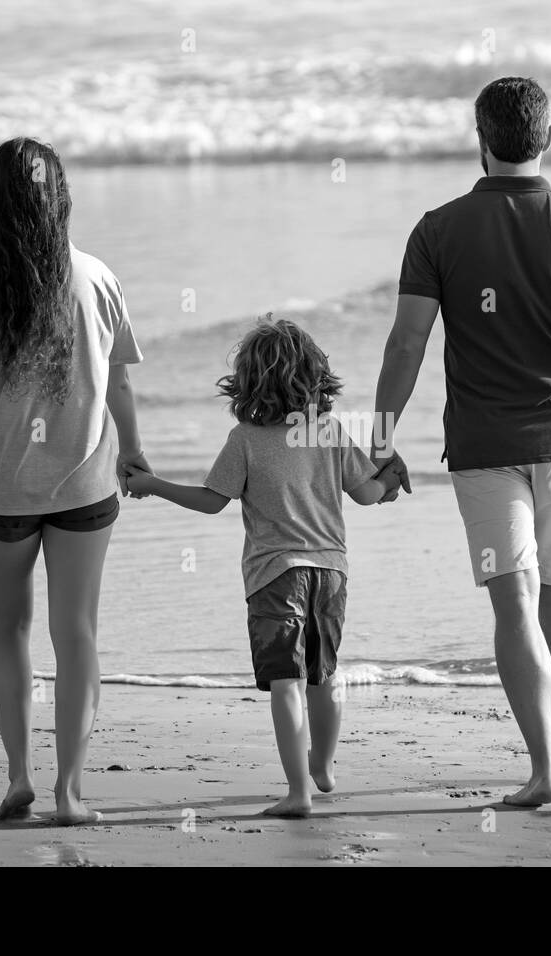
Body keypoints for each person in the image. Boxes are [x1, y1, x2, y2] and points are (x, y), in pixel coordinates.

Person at [370, 77, 551, 806]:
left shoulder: (437, 230)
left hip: (484, 445)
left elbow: (406, 345)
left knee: (514, 603)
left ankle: (544, 770)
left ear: (480, 139)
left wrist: (380, 437)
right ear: (548, 138)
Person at [0, 137, 150, 825]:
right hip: (84, 485)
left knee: (7, 629)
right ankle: (70, 791)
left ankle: (20, 775)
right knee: (76, 630)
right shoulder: (98, 278)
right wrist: (134, 453)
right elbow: (116, 380)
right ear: (62, 201)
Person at [123, 317, 398, 817]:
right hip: (331, 575)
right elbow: (367, 493)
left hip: (275, 577)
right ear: (316, 375)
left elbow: (211, 501)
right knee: (324, 675)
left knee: (285, 682)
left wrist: (153, 484)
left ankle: (298, 794)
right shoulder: (330, 430)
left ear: (247, 381)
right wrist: (391, 481)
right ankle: (323, 767)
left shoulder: (246, 438)